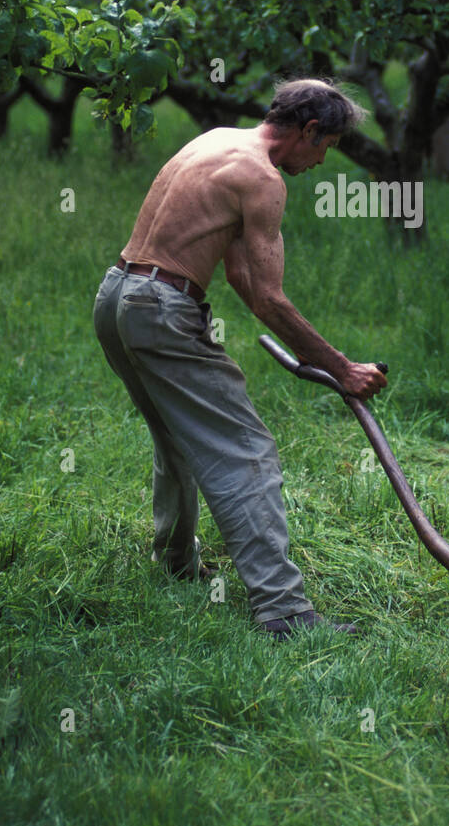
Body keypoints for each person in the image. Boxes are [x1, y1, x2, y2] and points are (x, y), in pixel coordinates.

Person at [92, 77, 387, 640]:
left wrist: (324, 360)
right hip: (160, 307)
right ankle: (285, 612)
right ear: (307, 130)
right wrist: (343, 368)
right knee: (246, 452)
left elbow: (242, 278)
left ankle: (177, 566)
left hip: (116, 296)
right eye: (325, 146)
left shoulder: (217, 141)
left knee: (176, 436)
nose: (323, 161)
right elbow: (272, 299)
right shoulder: (264, 179)